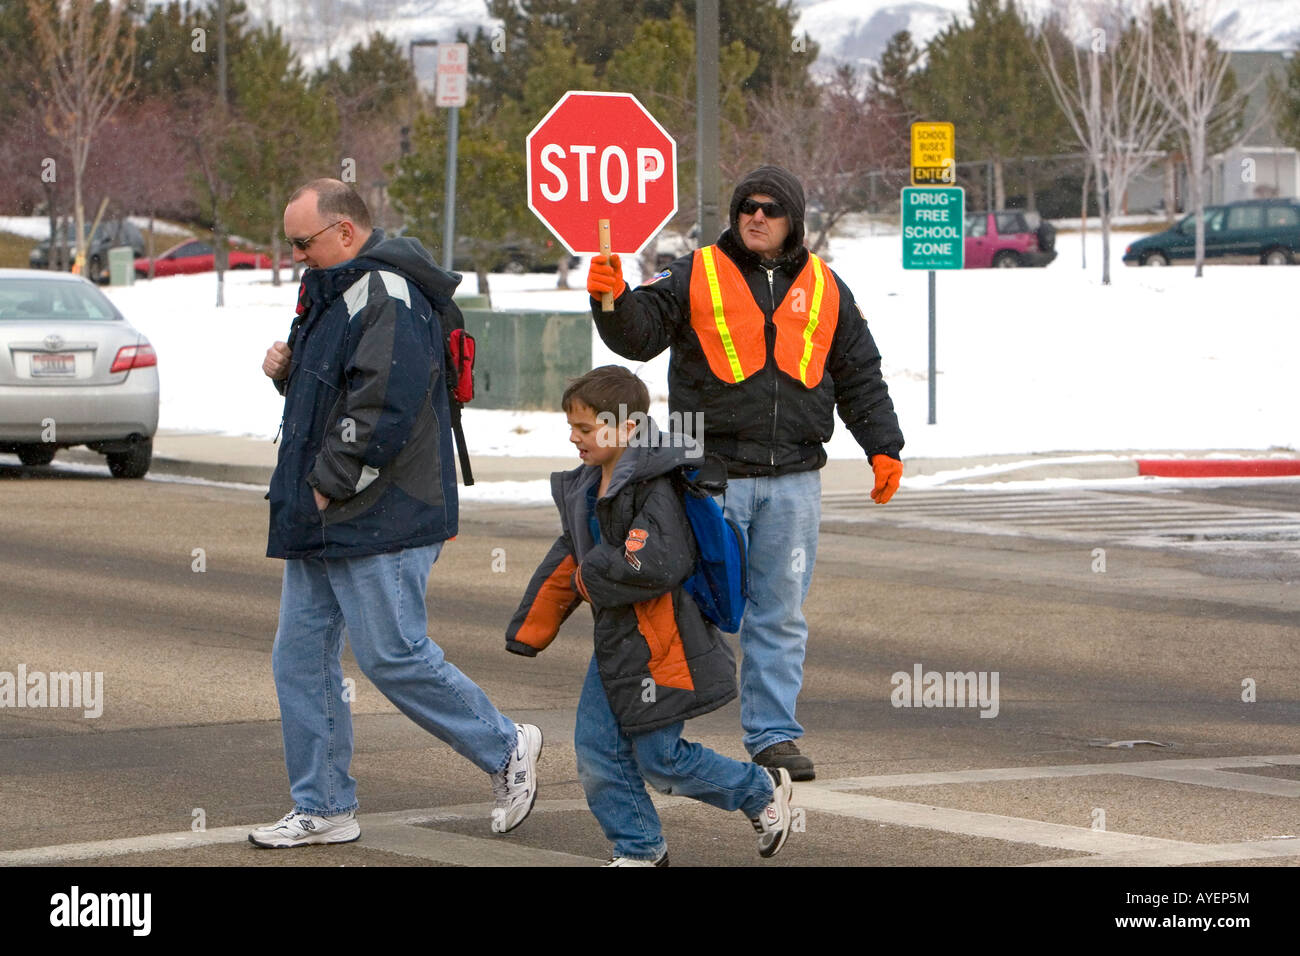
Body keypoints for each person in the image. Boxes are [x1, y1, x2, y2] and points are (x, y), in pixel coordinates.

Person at [586, 165, 904, 781]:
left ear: (794, 221)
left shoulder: (826, 286)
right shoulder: (692, 272)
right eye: (747, 207)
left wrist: (883, 446)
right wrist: (612, 300)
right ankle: (662, 725)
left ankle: (773, 735)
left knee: (779, 613)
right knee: (690, 608)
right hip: (713, 480)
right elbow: (639, 336)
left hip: (794, 482)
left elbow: (861, 374)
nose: (756, 217)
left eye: (771, 209)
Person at [252, 178, 541, 848]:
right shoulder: (333, 292)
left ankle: (505, 747)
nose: (295, 254)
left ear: (345, 231)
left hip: (381, 509)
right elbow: (339, 392)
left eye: (303, 242)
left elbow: (385, 403)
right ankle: (323, 805)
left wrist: (327, 483)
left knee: (393, 655)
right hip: (331, 512)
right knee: (299, 659)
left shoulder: (387, 293)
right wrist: (286, 373)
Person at [505, 366, 794, 865]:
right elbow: (568, 554)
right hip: (618, 640)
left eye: (585, 428)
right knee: (597, 752)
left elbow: (653, 564)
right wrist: (532, 626)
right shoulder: (586, 485)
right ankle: (639, 849)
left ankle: (759, 790)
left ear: (628, 428)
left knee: (660, 760)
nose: (572, 437)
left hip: (664, 641)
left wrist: (587, 577)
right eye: (572, 427)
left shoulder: (656, 486)